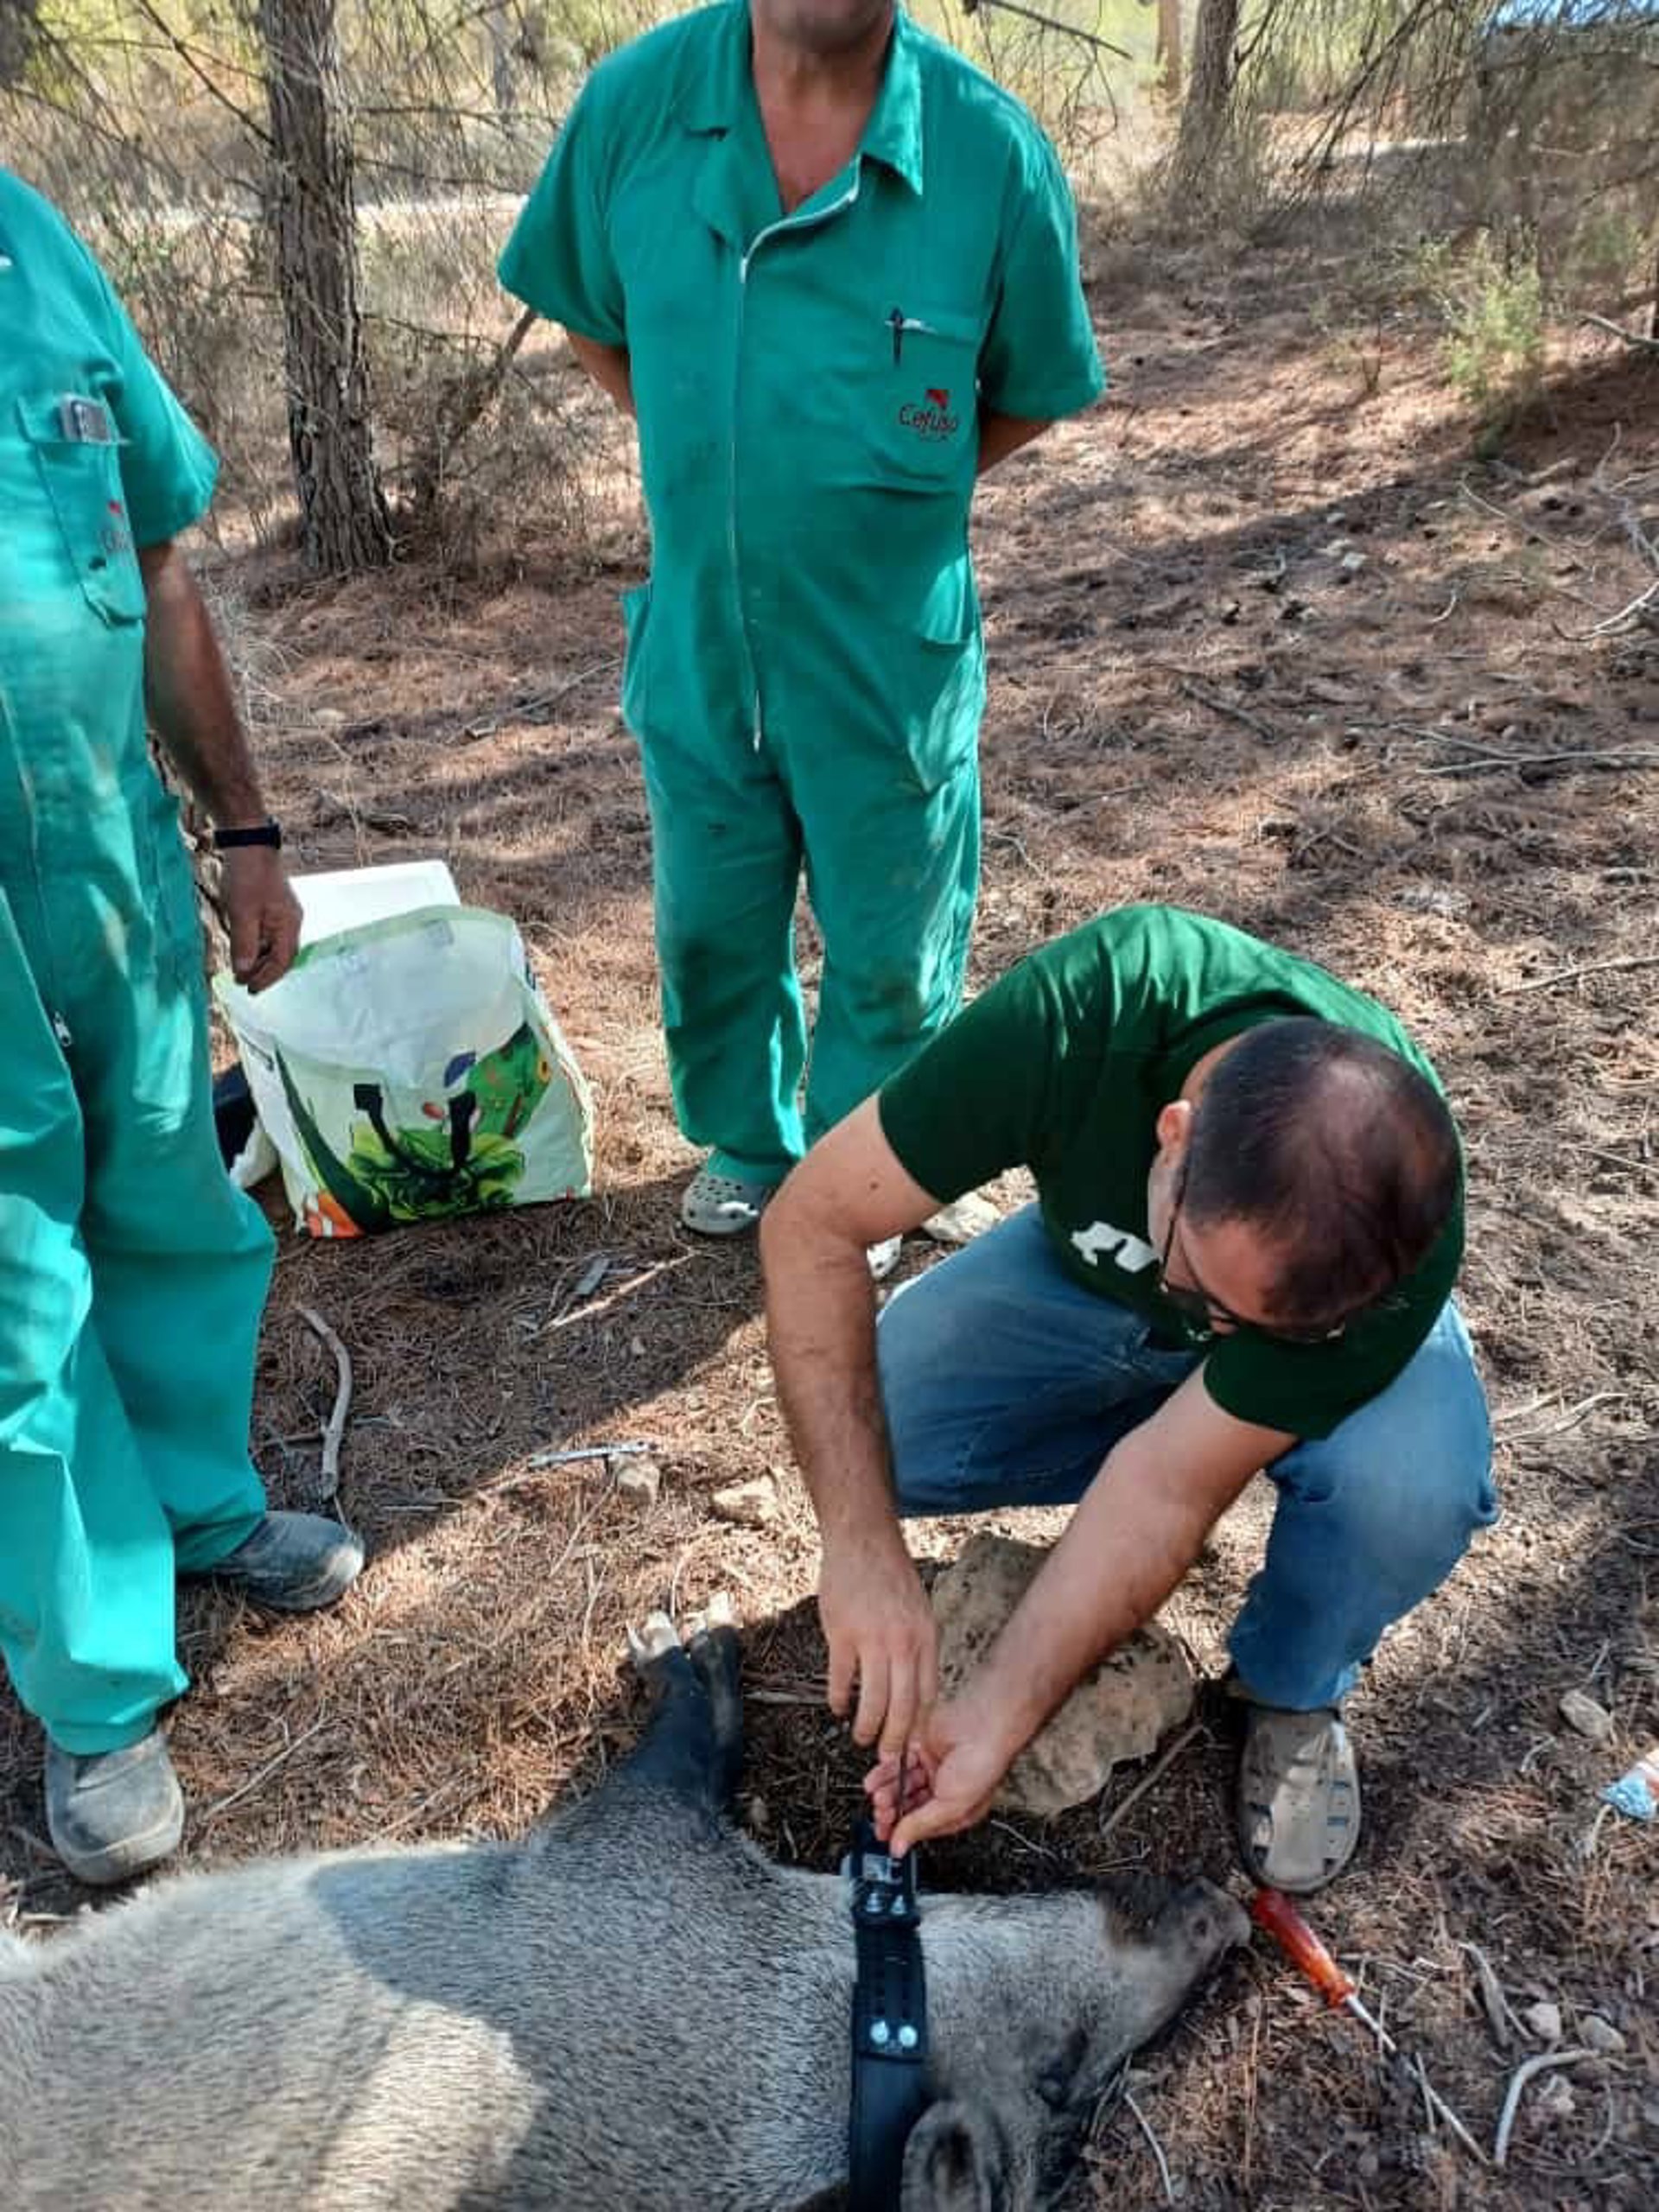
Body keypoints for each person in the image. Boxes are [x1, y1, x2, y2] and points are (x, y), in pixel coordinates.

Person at [499, 0, 1103, 1249]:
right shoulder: (636, 110)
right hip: (704, 642)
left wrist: (880, 502)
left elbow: (1035, 385)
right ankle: (750, 1143)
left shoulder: (987, 151)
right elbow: (591, 317)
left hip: (888, 654)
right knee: (711, 925)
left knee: (893, 940)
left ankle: (871, 1164)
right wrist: (714, 458)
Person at [761, 904, 1497, 1891]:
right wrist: (861, 1547)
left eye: (1263, 1329)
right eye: (1204, 1287)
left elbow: (1167, 1487)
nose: (1220, 1331)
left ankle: (1291, 1682)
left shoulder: (1390, 1240)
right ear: (1173, 1138)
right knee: (879, 1422)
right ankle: (1195, 1358)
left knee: (1408, 1491)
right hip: (1094, 1272)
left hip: (1282, 1341)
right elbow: (812, 1223)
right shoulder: (1086, 1014)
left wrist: (994, 1721)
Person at [0, 171, 364, 1887]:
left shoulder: (38, 248)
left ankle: (199, 1504)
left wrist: (245, 827)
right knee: (17, 1282)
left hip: (109, 854)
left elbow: (155, 565)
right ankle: (95, 1681)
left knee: (166, 1180)